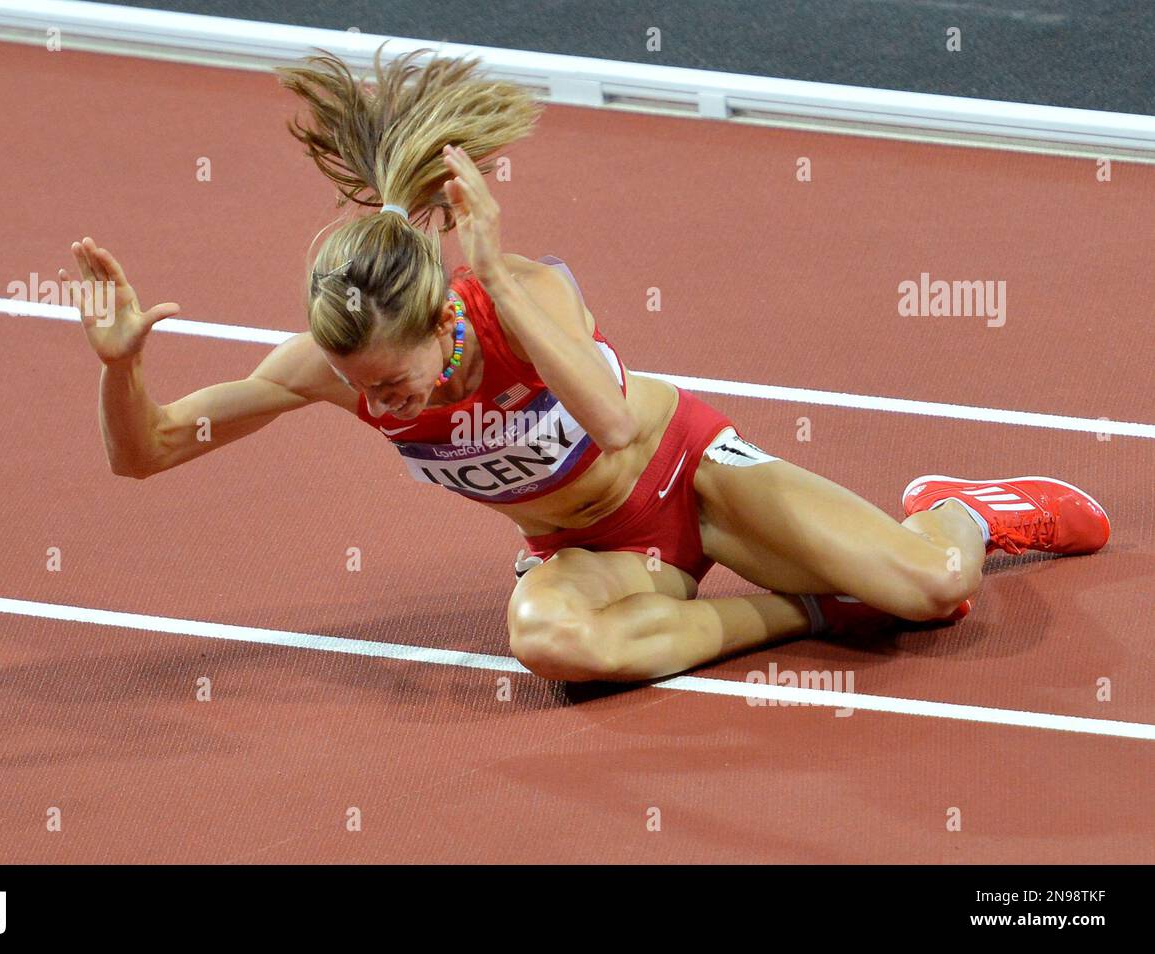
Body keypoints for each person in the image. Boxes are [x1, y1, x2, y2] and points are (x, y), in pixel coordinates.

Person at [60, 46, 1110, 684]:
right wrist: (120, 371)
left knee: (929, 590)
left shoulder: (522, 295)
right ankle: (812, 610)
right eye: (371, 391)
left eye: (400, 378)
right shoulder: (333, 372)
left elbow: (609, 424)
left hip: (691, 482)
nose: (386, 402)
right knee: (553, 648)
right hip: (595, 551)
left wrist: (496, 274)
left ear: (439, 317)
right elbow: (144, 455)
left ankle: (963, 505)